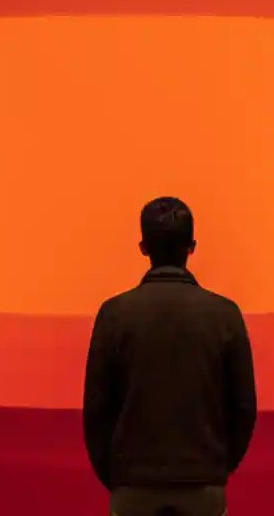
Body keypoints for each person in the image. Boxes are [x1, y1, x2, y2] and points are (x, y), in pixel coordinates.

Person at [83, 196, 258, 516]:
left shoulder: (114, 314)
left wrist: (117, 476)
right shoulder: (224, 314)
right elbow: (244, 408)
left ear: (143, 247)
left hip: (133, 484)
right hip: (203, 482)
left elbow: (96, 411)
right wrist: (216, 466)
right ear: (191, 246)